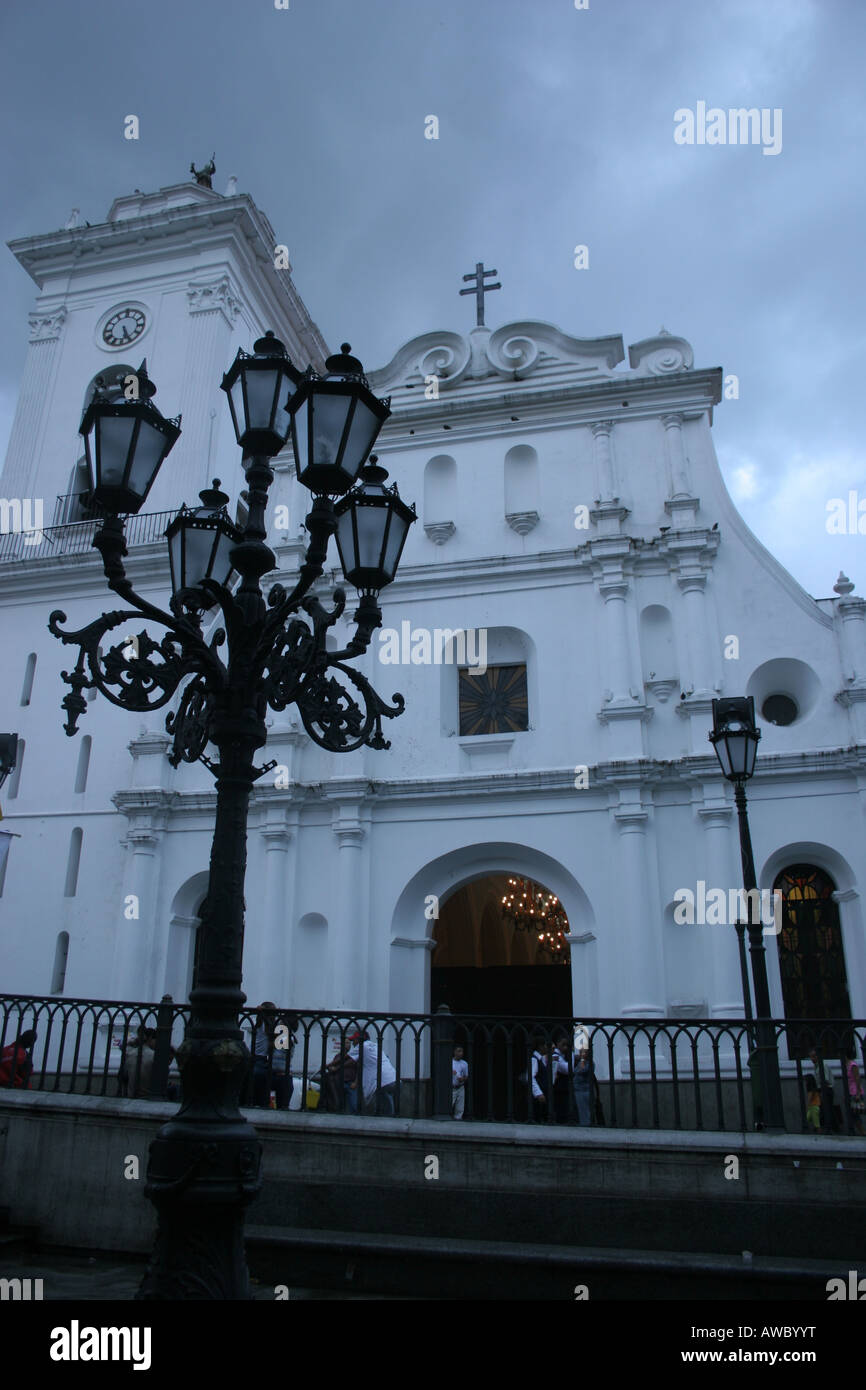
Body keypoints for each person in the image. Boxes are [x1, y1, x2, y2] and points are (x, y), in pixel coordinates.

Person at [250, 1003, 293, 1110]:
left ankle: (259, 1103)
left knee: (261, 1083)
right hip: (259, 1058)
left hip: (263, 1060)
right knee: (259, 1080)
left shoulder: (272, 1027)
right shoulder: (262, 1025)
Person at [345, 1029, 397, 1115]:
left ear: (359, 1040)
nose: (353, 1043)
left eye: (353, 1040)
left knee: (385, 1110)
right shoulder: (375, 1046)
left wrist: (333, 1065)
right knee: (384, 1105)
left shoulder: (362, 1046)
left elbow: (349, 1059)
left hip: (382, 1082)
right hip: (393, 1078)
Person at [572, 1042, 594, 1127]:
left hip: (584, 1090)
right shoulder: (581, 1062)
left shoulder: (588, 1063)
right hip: (578, 1090)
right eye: (580, 1052)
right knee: (580, 1110)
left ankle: (586, 1125)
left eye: (583, 1052)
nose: (581, 1054)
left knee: (584, 1111)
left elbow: (580, 1070)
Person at [551, 1034, 572, 1124]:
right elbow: (568, 1069)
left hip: (563, 1088)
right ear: (558, 1043)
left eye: (567, 1045)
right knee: (561, 1110)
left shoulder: (563, 1056)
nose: (565, 1048)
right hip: (559, 1089)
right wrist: (572, 1055)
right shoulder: (555, 1056)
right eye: (563, 1045)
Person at [530, 1036, 549, 1123]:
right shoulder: (534, 1059)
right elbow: (531, 1077)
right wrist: (538, 1093)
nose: (546, 1048)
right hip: (538, 1096)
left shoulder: (541, 1059)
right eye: (545, 1045)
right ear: (540, 1047)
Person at [846, 1059, 865, 1136]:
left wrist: (858, 1093)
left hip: (854, 1091)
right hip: (850, 1091)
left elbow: (857, 1078)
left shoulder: (853, 1065)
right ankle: (857, 1130)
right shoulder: (846, 1065)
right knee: (852, 1113)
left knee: (855, 1113)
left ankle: (862, 1131)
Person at [451, 1044, 469, 1119]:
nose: (460, 1053)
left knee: (459, 1108)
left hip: (460, 1087)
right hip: (452, 1088)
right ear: (454, 1052)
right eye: (459, 1051)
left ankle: (458, 1120)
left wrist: (462, 1079)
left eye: (462, 1051)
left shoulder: (464, 1063)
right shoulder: (450, 1062)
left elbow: (466, 1076)